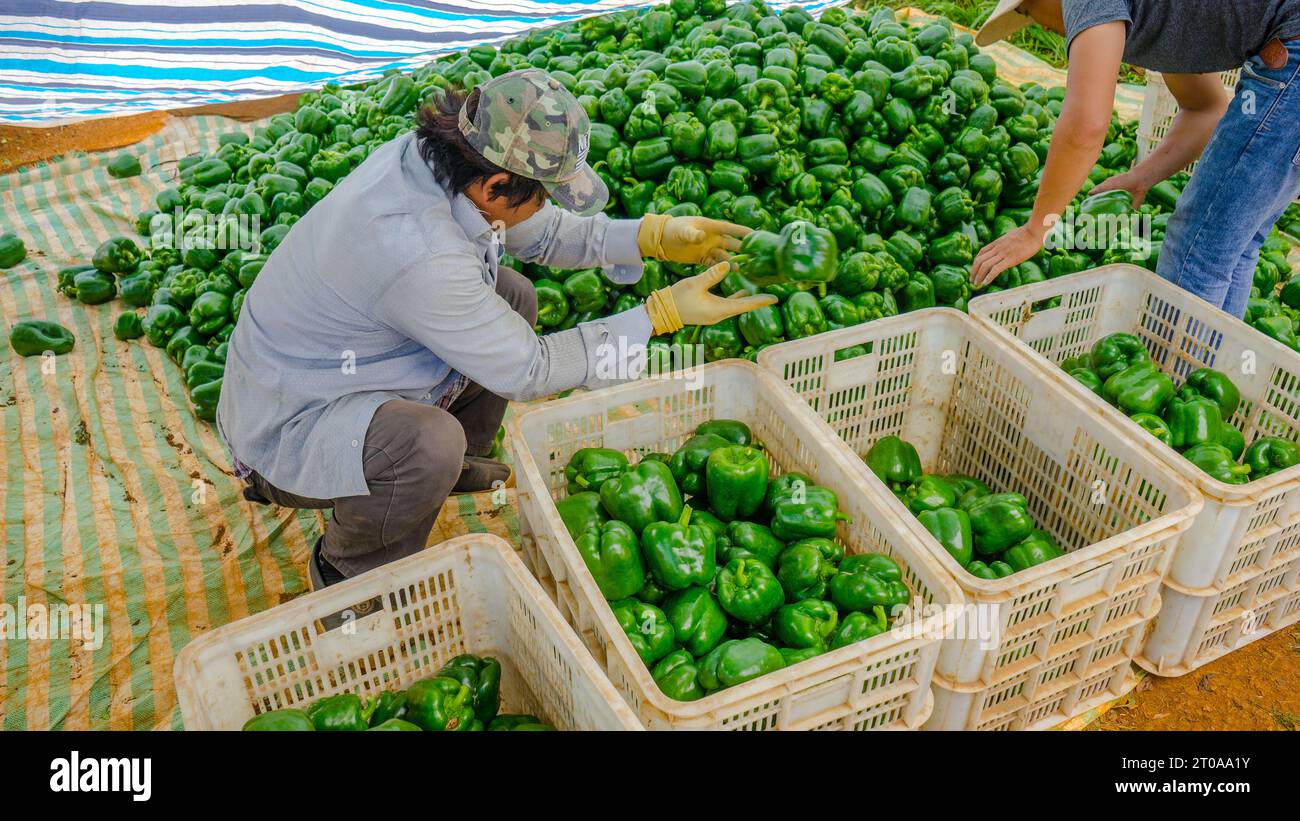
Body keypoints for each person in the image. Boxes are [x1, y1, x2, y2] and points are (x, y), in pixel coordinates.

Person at [217, 68, 774, 589]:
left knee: (513, 294)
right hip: (288, 427)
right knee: (428, 443)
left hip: (343, 367)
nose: (546, 205)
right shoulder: (418, 251)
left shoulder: (439, 163)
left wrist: (648, 237)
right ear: (497, 187)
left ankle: (445, 468)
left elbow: (541, 234)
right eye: (543, 193)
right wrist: (658, 315)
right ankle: (347, 574)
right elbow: (529, 370)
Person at [970, 0, 1300, 318]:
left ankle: (1179, 358)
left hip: (1291, 54)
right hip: (1287, 53)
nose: (1039, 25)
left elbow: (1087, 126)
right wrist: (1142, 177)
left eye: (1027, 9)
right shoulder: (1155, 17)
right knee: (1233, 246)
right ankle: (1214, 356)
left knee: (1197, 250)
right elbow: (1205, 109)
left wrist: (1035, 230)